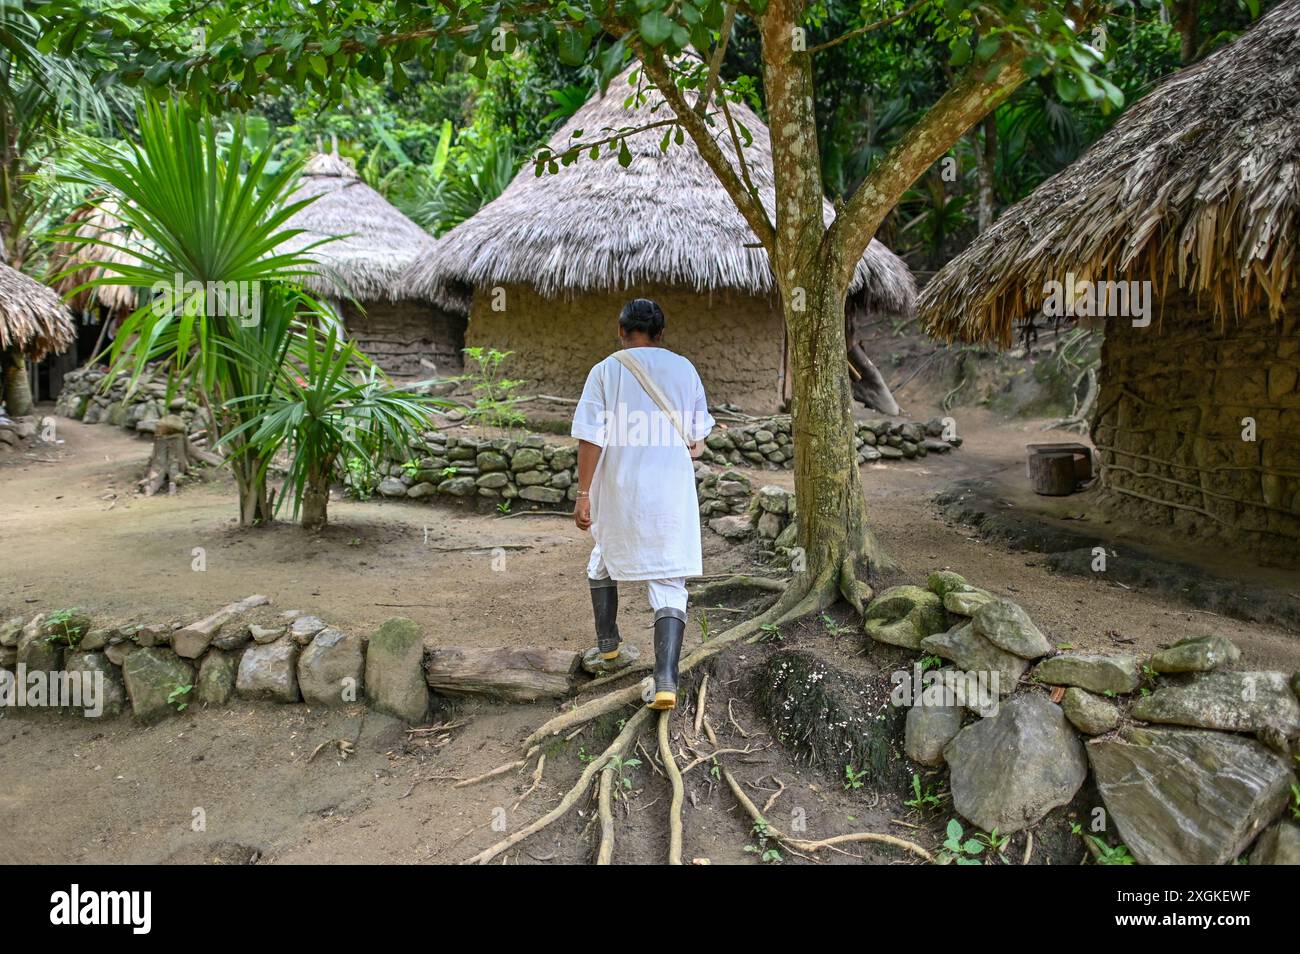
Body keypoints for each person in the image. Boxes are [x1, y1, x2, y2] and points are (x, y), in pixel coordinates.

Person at [571, 299, 714, 710]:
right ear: (661, 334)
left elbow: (590, 438)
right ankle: (665, 678)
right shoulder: (684, 369)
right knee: (669, 580)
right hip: (669, 489)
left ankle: (608, 646)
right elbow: (697, 437)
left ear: (620, 331)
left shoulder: (604, 371)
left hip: (619, 487)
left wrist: (583, 494)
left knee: (602, 558)